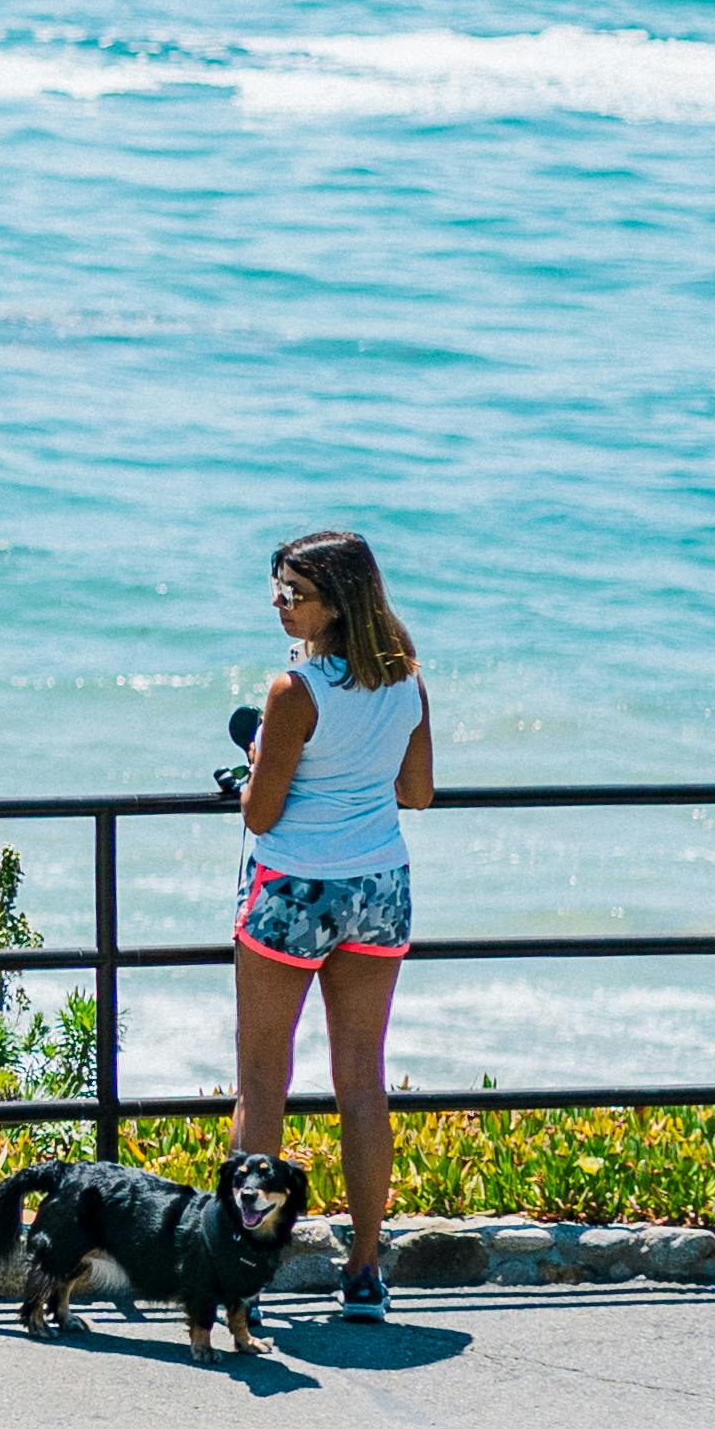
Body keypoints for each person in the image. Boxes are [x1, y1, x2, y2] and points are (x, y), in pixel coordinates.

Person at [229, 529, 432, 1325]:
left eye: (295, 593)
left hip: (294, 888)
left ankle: (245, 1268)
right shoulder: (407, 680)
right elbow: (416, 791)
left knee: (261, 1076)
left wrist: (254, 766)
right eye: (277, 588)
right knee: (360, 1076)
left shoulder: (294, 691)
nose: (279, 603)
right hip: (377, 884)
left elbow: (260, 812)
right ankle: (364, 1271)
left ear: (337, 602)